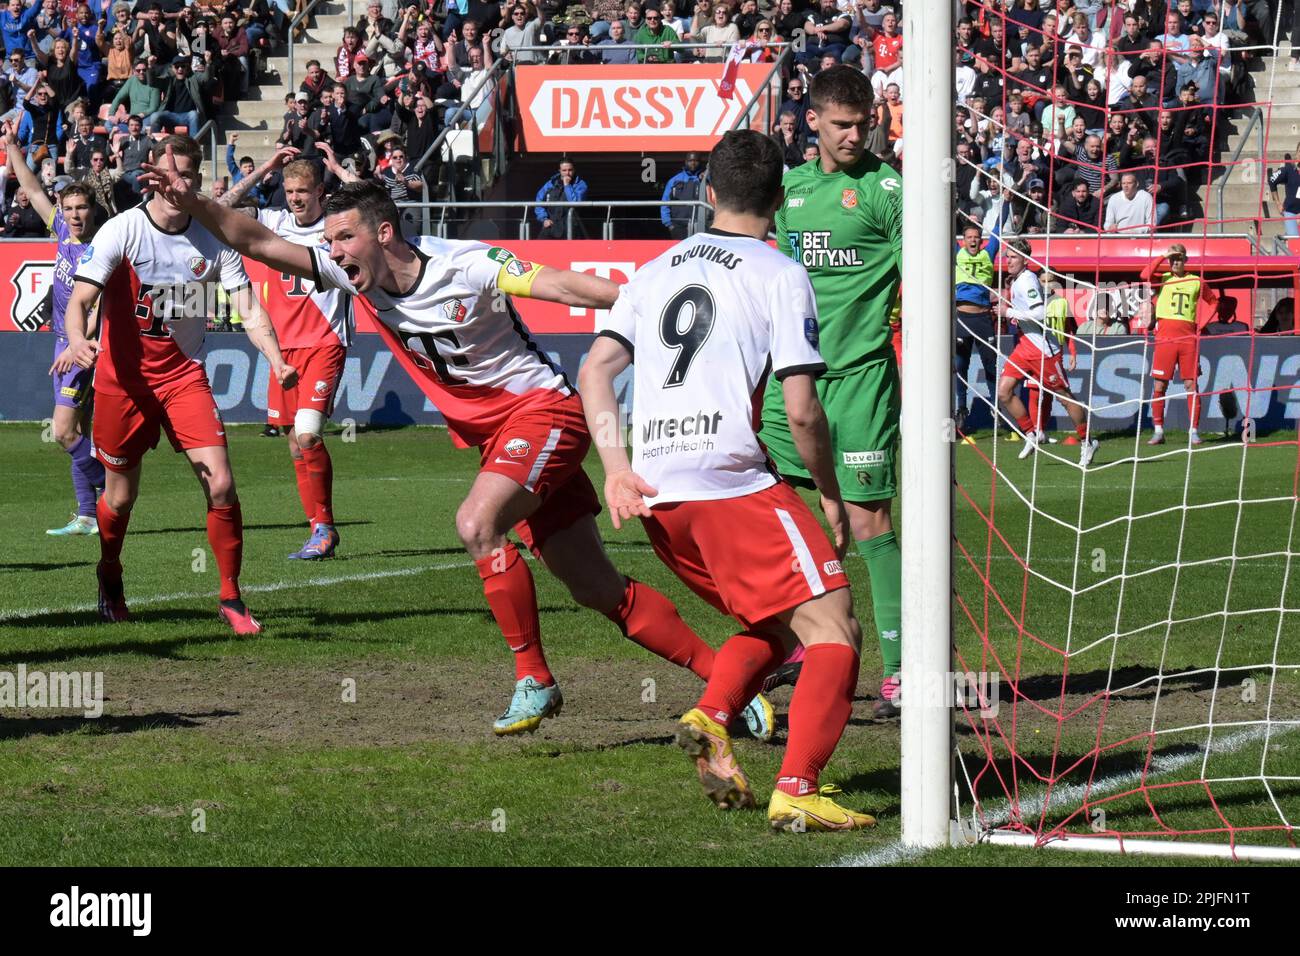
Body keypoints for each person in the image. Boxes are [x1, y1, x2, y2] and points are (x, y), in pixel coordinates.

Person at [136, 164, 778, 740]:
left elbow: (557, 284)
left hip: (545, 413)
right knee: (596, 587)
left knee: (476, 523)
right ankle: (728, 680)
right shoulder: (347, 274)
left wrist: (652, 296)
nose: (331, 254)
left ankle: (536, 678)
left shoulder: (466, 267)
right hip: (498, 438)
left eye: (343, 240)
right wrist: (193, 202)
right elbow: (254, 240)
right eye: (328, 243)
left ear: (383, 232)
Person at [579, 129, 873, 832]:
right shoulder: (779, 272)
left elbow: (593, 371)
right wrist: (830, 493)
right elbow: (802, 411)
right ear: (780, 200)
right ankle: (798, 787)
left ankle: (712, 717)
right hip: (730, 483)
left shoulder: (652, 272)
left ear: (707, 193)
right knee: (835, 627)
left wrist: (617, 471)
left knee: (771, 624)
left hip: (657, 494)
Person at [56, 134, 298, 634]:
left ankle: (231, 596)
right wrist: (78, 341)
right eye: (170, 173)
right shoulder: (123, 230)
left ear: (197, 180)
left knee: (222, 483)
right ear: (152, 176)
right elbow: (80, 301)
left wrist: (277, 361)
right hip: (122, 383)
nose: (178, 184)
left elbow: (248, 306)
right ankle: (110, 572)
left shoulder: (213, 238)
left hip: (183, 376)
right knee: (120, 498)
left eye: (188, 175)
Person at [759, 66, 903, 715]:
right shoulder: (787, 191)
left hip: (863, 382)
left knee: (871, 521)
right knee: (784, 517)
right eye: (841, 123)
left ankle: (901, 668)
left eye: (862, 121)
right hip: (792, 383)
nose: (854, 133)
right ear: (812, 120)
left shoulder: (888, 190)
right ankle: (803, 644)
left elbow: (923, 279)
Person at [220, 149, 355, 560]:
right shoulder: (273, 221)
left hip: (325, 342)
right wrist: (264, 169)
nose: (295, 198)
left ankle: (327, 526)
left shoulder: (336, 227)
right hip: (282, 348)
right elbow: (220, 207)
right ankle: (317, 529)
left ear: (320, 192)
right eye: (290, 190)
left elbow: (381, 205)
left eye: (303, 191)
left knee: (310, 432)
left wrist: (338, 170)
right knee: (296, 444)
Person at [3, 126, 105, 535]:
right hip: (64, 342)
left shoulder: (102, 247)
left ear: (93, 210)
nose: (75, 215)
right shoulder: (61, 230)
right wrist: (12, 147)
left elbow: (100, 307)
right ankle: (87, 516)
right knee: (81, 431)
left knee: (63, 431)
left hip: (85, 346)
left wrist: (79, 343)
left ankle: (104, 481)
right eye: (69, 208)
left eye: (82, 208)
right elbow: (30, 183)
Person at [996, 239, 1098, 465]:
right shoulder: (1017, 281)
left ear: (1025, 259)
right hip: (1025, 347)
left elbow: (1041, 313)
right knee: (1004, 392)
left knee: (1064, 398)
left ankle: (1087, 441)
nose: (1008, 261)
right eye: (1007, 256)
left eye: (1013, 257)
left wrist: (1008, 311)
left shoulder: (1028, 281)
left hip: (1044, 350)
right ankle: (1031, 434)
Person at [1141, 243, 1217, 447]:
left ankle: (1193, 432)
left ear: (1186, 260)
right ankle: (1158, 431)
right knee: (1159, 385)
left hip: (1188, 339)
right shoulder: (1163, 279)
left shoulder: (1196, 281)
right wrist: (1163, 254)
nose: (1175, 262)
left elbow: (1213, 302)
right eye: (1172, 259)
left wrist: (1201, 325)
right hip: (1165, 338)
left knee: (1191, 385)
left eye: (1179, 258)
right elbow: (1144, 274)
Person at [954, 220, 1001, 436]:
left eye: (976, 237)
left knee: (990, 365)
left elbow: (999, 233)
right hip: (962, 318)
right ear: (963, 240)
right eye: (969, 237)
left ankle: (996, 409)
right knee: (960, 366)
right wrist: (952, 211)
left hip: (983, 318)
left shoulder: (988, 253)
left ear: (981, 240)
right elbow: (944, 228)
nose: (973, 240)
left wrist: (1006, 203)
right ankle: (961, 409)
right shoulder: (956, 253)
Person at [534, 159, 586, 239]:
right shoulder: (551, 183)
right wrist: (544, 219)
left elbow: (574, 203)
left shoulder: (580, 185)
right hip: (551, 226)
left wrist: (567, 185)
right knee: (538, 249)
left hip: (571, 229)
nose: (567, 173)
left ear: (574, 170)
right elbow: (539, 202)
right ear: (560, 171)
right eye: (564, 170)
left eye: (570, 170)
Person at [660, 152, 703, 239]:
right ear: (685, 162)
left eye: (696, 161)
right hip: (678, 227)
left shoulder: (705, 179)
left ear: (700, 162)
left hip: (701, 225)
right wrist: (669, 224)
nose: (693, 163)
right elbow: (665, 203)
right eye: (690, 160)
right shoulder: (674, 180)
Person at [1269, 146, 1300, 237]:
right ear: (1296, 153)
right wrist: (1278, 203)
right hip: (1290, 212)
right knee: (1294, 242)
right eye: (1299, 151)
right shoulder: (1288, 170)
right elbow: (1271, 180)